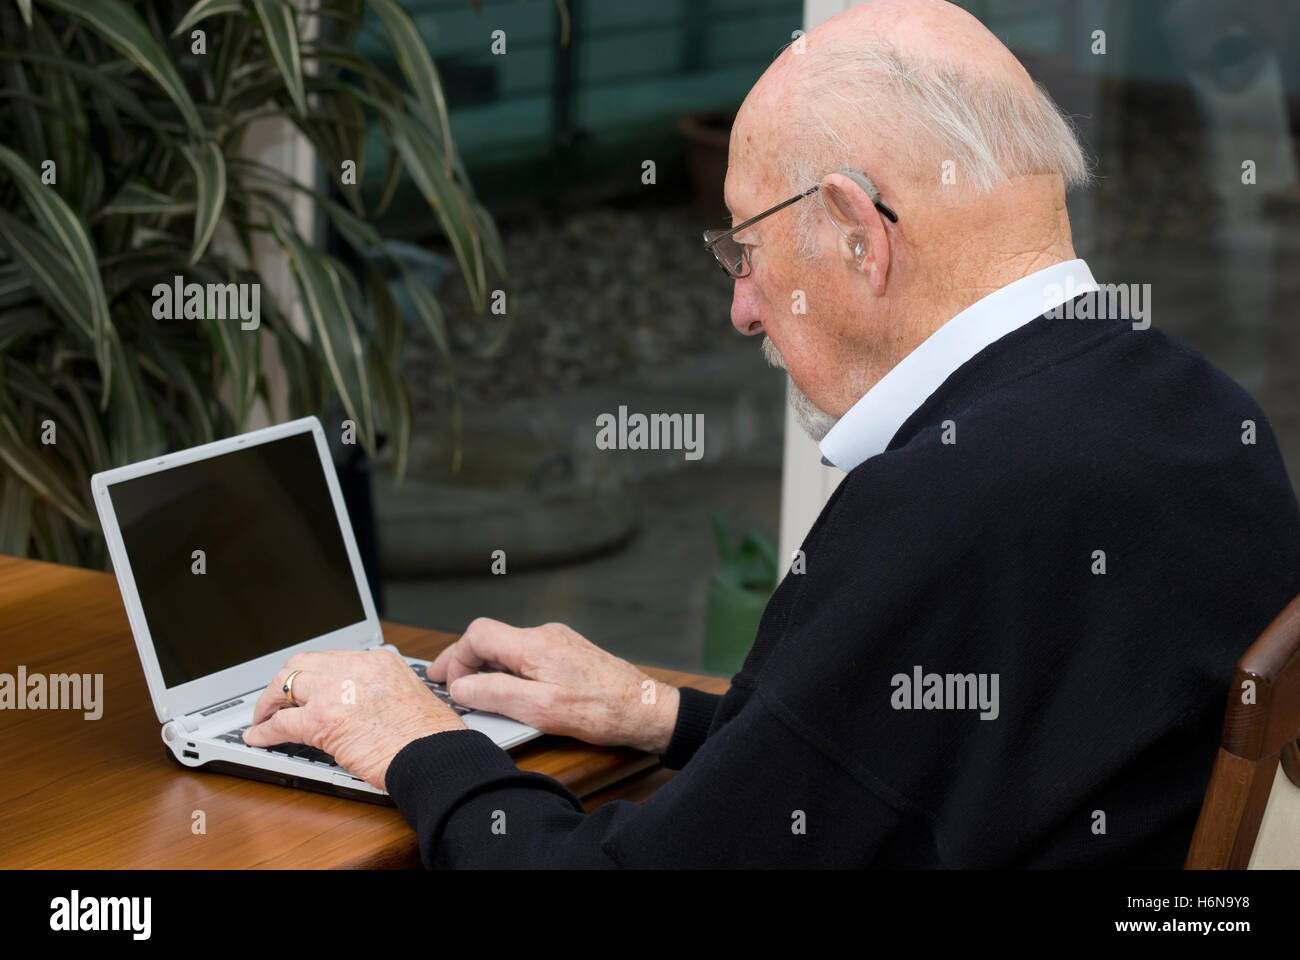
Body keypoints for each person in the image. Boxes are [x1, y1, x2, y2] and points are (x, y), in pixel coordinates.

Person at [244, 0, 1300, 867]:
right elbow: (904, 770)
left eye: (742, 251)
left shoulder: (947, 502)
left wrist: (418, 741)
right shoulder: (1199, 414)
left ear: (856, 233)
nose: (742, 308)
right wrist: (659, 713)